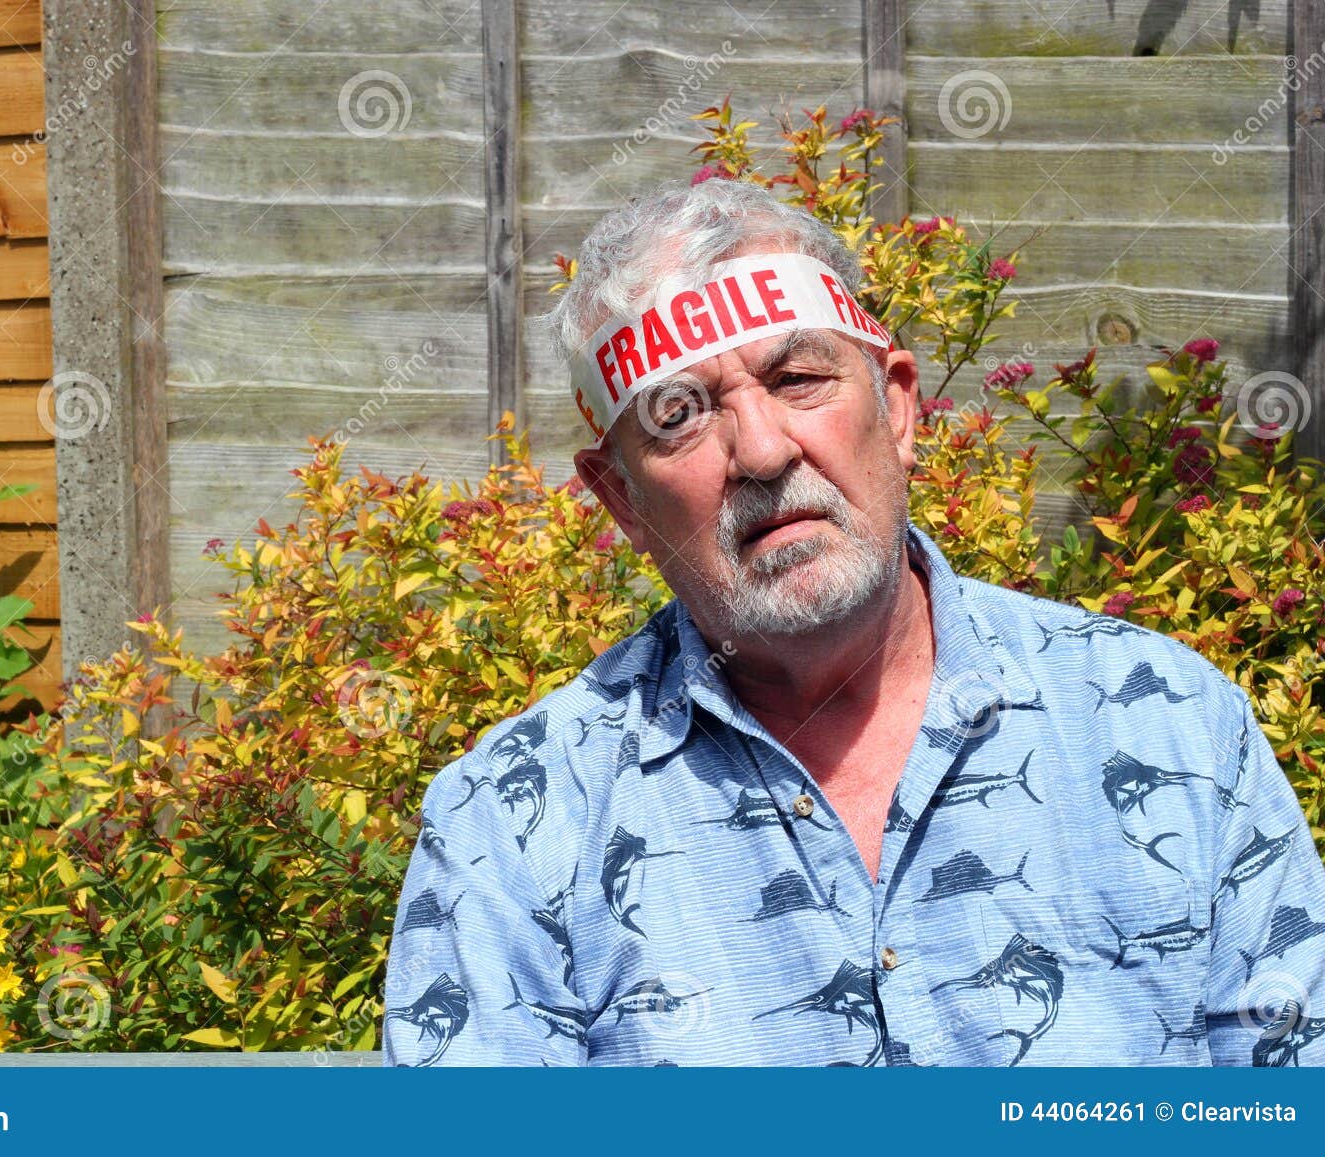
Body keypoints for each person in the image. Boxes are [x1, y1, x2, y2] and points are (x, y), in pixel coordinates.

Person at [380, 177, 1325, 1066]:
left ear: (900, 407)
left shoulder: (1174, 725)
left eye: (797, 378)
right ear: (621, 498)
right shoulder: (512, 824)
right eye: (679, 415)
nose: (760, 448)